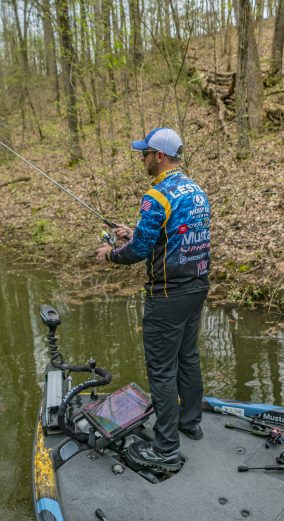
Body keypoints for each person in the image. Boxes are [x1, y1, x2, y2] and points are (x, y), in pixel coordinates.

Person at [95, 127, 211, 473]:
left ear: (159, 156)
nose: (142, 159)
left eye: (144, 153)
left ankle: (165, 449)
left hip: (167, 295)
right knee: (188, 358)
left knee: (161, 369)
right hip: (196, 288)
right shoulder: (196, 190)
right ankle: (190, 423)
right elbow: (170, 235)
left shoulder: (156, 195)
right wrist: (133, 233)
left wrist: (110, 254)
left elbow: (139, 251)